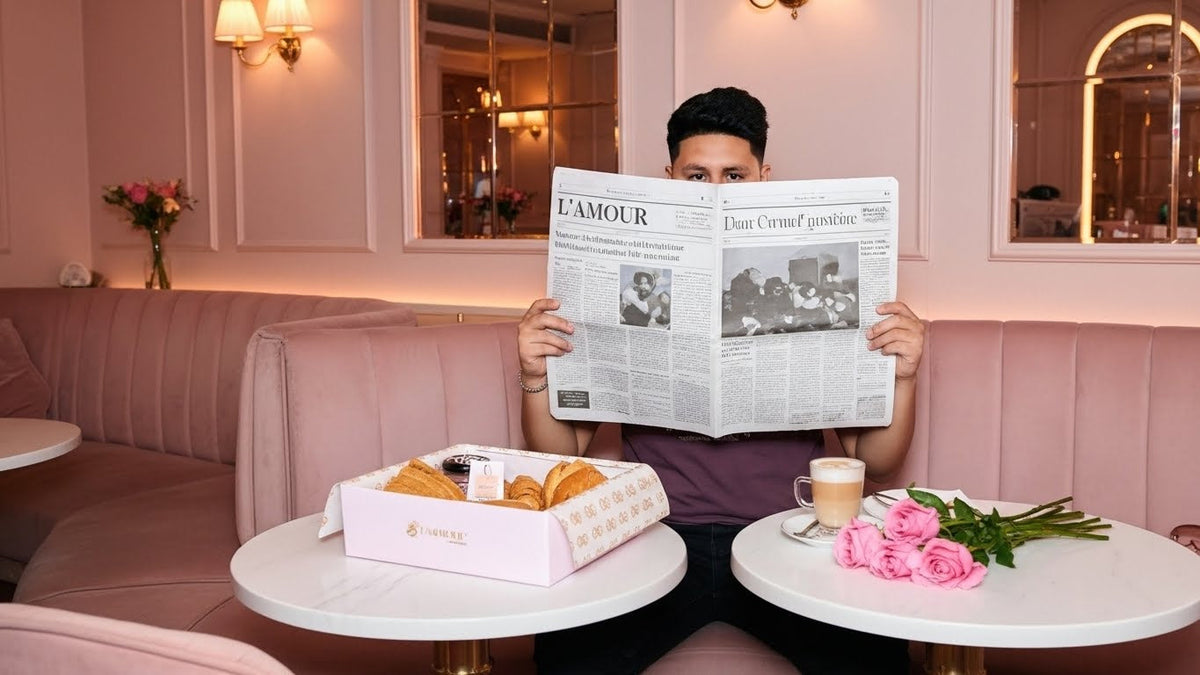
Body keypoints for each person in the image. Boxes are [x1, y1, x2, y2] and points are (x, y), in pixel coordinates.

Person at [517, 86, 925, 674]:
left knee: (877, 658)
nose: (714, 191)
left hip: (782, 534)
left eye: (733, 175)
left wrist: (903, 378)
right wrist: (535, 375)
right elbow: (563, 450)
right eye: (696, 176)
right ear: (669, 178)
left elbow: (877, 462)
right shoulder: (628, 278)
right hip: (659, 535)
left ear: (763, 177)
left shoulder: (795, 290)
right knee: (565, 655)